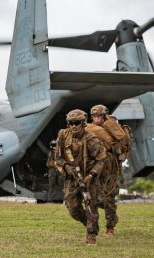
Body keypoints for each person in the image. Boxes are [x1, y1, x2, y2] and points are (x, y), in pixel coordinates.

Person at [51, 109, 107, 245]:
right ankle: (89, 222)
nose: (74, 126)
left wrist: (91, 175)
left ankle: (91, 234)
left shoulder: (92, 140)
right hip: (71, 177)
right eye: (71, 123)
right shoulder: (63, 136)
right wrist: (66, 168)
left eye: (77, 123)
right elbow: (57, 158)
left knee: (90, 205)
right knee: (72, 207)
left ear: (83, 123)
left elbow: (101, 160)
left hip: (89, 177)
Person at [86, 104, 130, 236]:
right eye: (94, 116)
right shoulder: (89, 128)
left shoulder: (112, 126)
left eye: (99, 116)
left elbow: (122, 143)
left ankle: (110, 227)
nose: (96, 118)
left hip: (111, 167)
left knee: (109, 197)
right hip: (95, 166)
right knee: (92, 198)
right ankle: (92, 228)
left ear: (104, 115)